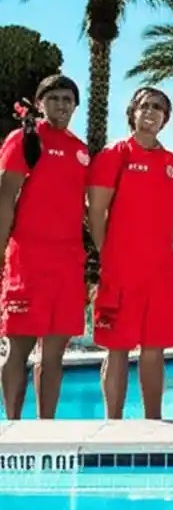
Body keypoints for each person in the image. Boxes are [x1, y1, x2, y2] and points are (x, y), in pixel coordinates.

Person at [86, 87, 173, 419]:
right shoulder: (114, 155)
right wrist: (108, 253)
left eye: (159, 108)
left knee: (155, 349)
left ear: (166, 119)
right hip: (121, 270)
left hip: (160, 272)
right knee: (117, 349)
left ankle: (153, 423)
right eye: (145, 106)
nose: (151, 112)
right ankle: (112, 424)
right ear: (132, 112)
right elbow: (96, 210)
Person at [0, 75, 88, 419]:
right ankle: (11, 427)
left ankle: (46, 429)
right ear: (39, 104)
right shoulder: (24, 140)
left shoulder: (80, 150)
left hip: (67, 263)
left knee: (54, 355)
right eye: (54, 99)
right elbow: (5, 197)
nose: (62, 105)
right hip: (28, 261)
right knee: (19, 349)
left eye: (68, 99)